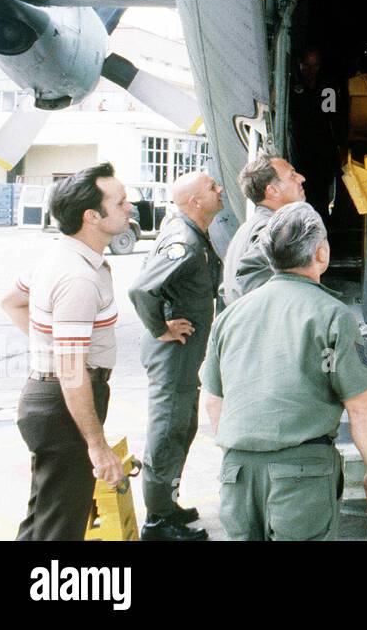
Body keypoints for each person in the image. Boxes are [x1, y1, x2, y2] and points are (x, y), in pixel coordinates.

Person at [202, 202, 367, 540]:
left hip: (237, 473)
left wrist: (243, 453)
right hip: (301, 474)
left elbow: (214, 400)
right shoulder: (333, 315)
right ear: (321, 253)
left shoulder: (230, 316)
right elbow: (360, 405)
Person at [0, 162, 130, 540]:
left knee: (44, 516)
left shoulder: (60, 257)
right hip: (63, 405)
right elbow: (72, 371)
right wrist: (98, 446)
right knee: (62, 528)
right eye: (120, 202)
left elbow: (12, 302)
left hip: (52, 399)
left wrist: (51, 350)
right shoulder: (78, 276)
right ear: (92, 216)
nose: (129, 207)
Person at [127, 170, 225, 541]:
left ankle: (167, 504)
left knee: (181, 428)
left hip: (184, 356)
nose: (219, 190)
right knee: (168, 431)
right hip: (172, 353)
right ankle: (157, 521)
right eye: (212, 187)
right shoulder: (183, 239)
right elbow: (140, 290)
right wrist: (161, 328)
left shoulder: (194, 233)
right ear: (195, 202)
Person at [220, 152, 307, 306]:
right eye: (292, 175)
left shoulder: (248, 227)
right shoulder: (274, 229)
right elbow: (249, 281)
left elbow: (227, 287)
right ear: (272, 190)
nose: (301, 178)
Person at [289, 45, 343, 224]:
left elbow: (332, 119)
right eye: (308, 65)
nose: (312, 71)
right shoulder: (292, 88)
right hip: (299, 150)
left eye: (316, 66)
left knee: (320, 198)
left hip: (322, 151)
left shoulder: (327, 89)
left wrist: (338, 147)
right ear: (300, 64)